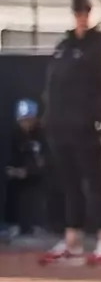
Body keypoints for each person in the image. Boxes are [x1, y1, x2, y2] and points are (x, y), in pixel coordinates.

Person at [40, 0, 101, 266]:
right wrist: (50, 120)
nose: (82, 17)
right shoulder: (64, 45)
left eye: (87, 11)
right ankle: (72, 242)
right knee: (70, 185)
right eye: (78, 11)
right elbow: (53, 86)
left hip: (92, 131)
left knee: (98, 184)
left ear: (96, 12)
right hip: (62, 128)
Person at [4, 100, 47, 239]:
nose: (25, 123)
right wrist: (14, 170)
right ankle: (13, 225)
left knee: (39, 187)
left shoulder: (43, 134)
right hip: (19, 174)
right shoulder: (14, 134)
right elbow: (10, 158)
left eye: (29, 119)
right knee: (12, 185)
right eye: (22, 120)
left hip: (39, 174)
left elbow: (47, 160)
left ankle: (38, 225)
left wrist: (29, 171)